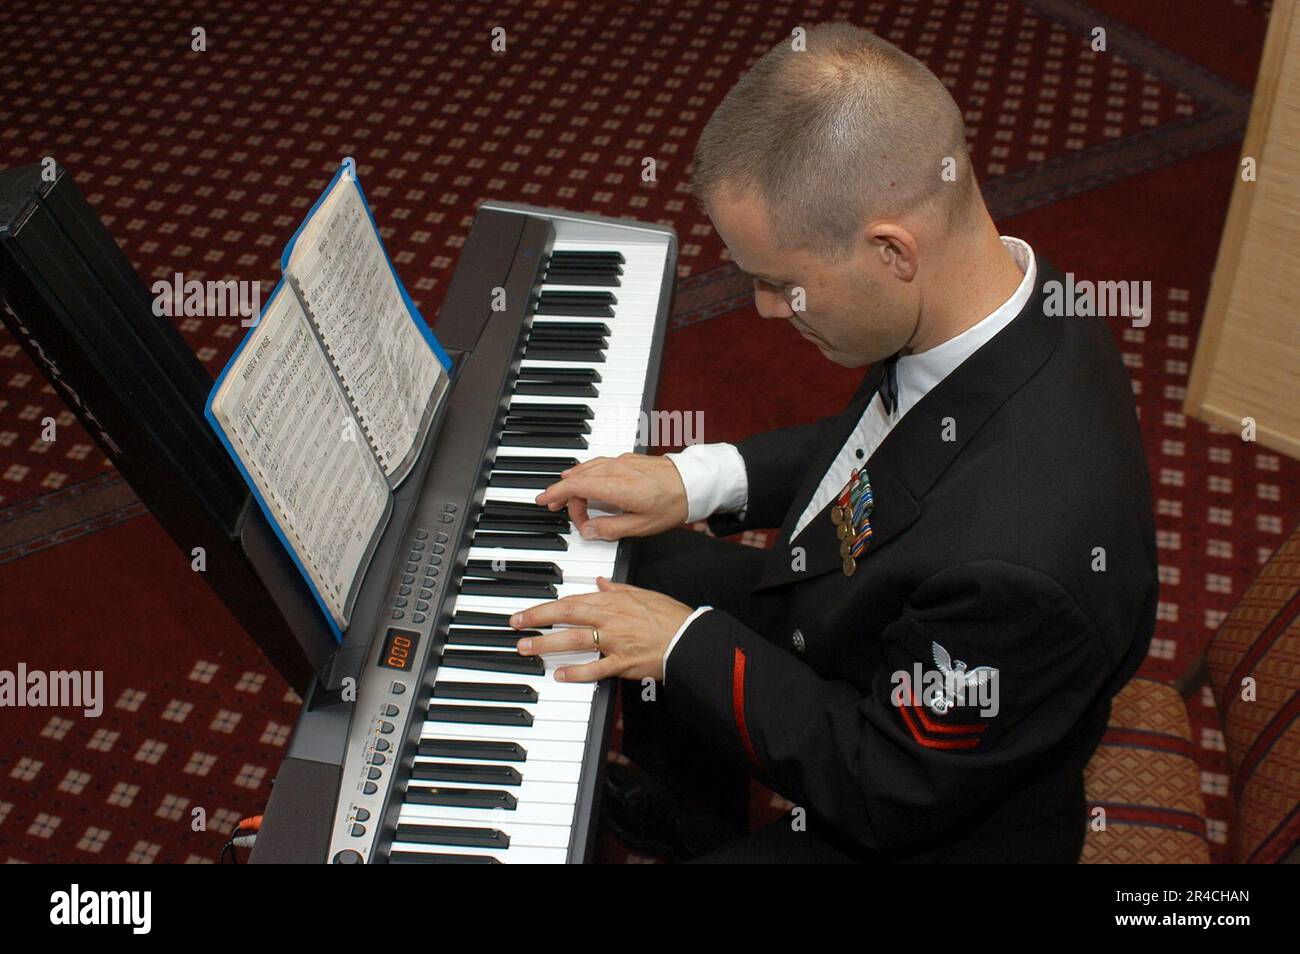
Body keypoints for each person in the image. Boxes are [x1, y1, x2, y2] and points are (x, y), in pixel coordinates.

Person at [508, 22, 1157, 862]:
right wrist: (700, 481)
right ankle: (692, 818)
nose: (764, 311)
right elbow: (893, 441)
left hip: (927, 807)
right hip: (884, 614)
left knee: (662, 622)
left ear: (891, 251)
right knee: (646, 557)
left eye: (783, 285)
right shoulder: (1000, 299)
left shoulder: (1018, 571)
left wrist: (678, 645)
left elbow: (884, 784)